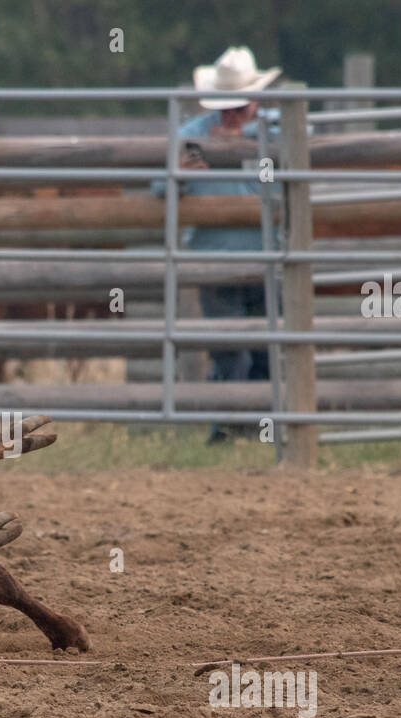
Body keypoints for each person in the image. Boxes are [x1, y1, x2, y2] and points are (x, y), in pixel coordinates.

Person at [157, 46, 282, 443]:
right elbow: (160, 186)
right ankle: (227, 431)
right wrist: (179, 175)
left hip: (267, 259)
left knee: (267, 351)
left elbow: (293, 184)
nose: (230, 116)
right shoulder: (192, 135)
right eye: (225, 108)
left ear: (254, 102)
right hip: (215, 261)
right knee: (231, 351)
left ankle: (258, 432)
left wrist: (242, 145)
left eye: (238, 108)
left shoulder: (276, 133)